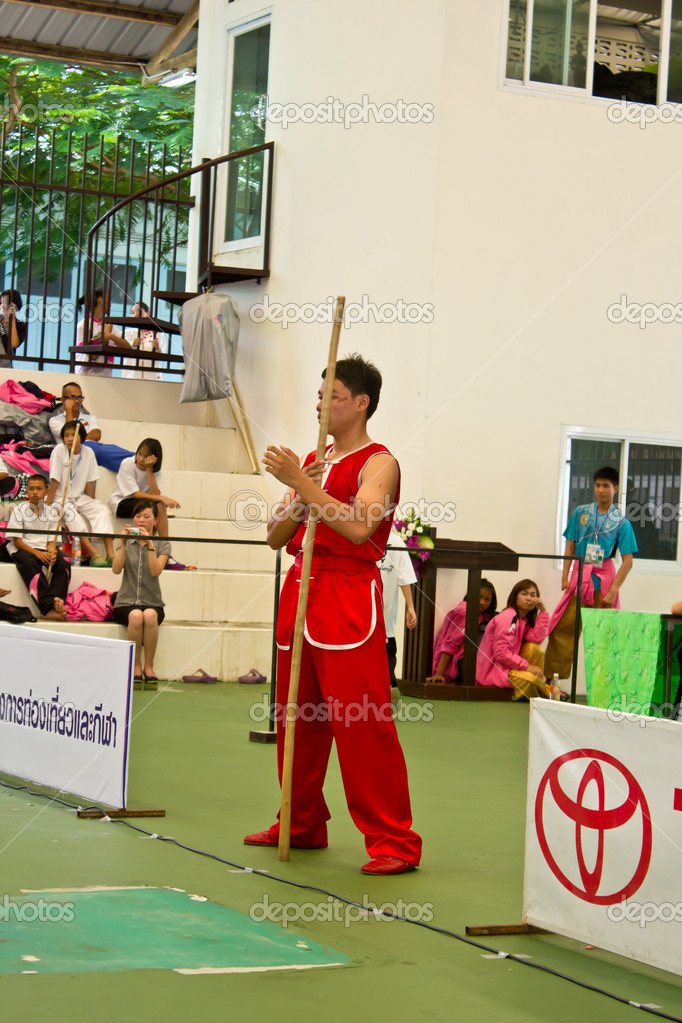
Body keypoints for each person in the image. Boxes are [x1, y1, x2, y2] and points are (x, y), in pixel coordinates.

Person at [243, 354, 422, 876]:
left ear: (362, 403)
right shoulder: (314, 460)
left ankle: (393, 840)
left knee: (363, 723)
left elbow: (360, 528)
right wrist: (300, 490)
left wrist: (303, 484)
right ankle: (300, 823)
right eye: (320, 395)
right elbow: (275, 537)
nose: (322, 404)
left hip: (347, 596)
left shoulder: (379, 462)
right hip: (300, 591)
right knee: (296, 718)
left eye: (334, 396)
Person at [544, 466, 638, 680]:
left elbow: (628, 561)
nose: (600, 490)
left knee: (604, 636)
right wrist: (565, 575)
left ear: (615, 488)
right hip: (579, 579)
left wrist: (613, 590)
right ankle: (552, 683)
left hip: (603, 582)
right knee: (562, 630)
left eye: (606, 486)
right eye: (597, 485)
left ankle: (604, 686)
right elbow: (570, 545)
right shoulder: (581, 513)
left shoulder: (622, 523)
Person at [111, 499, 170, 687]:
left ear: (156, 520)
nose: (141, 520)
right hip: (126, 603)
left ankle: (149, 667)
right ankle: (135, 666)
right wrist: (122, 544)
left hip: (152, 602)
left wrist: (150, 544)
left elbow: (155, 571)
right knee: (136, 615)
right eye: (138, 516)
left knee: (150, 615)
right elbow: (116, 569)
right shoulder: (126, 543)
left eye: (146, 516)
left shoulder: (162, 545)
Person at [46, 421, 116, 566]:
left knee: (101, 510)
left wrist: (91, 505)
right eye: (66, 435)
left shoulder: (88, 452)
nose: (70, 438)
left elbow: (89, 483)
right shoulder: (59, 450)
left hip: (79, 497)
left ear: (82, 437)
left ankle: (110, 554)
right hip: (61, 498)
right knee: (71, 514)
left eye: (74, 435)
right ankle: (94, 554)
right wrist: (47, 504)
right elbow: (55, 481)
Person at [6, 474, 70, 621]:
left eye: (39, 489)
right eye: (31, 489)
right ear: (27, 492)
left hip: (43, 549)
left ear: (47, 491)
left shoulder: (52, 513)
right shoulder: (19, 510)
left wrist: (52, 551)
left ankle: (57, 602)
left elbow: (51, 542)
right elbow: (17, 542)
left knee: (64, 564)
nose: (35, 492)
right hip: (24, 549)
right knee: (30, 564)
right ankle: (47, 609)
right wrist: (38, 554)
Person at [476, 578, 550, 700]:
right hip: (494, 672)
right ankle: (545, 694)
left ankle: (539, 691)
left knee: (535, 648)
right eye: (524, 594)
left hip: (509, 668)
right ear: (515, 596)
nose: (529, 598)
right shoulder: (508, 617)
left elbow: (537, 638)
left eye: (533, 595)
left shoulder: (523, 619)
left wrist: (543, 611)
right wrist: (526, 667)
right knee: (532, 680)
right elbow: (501, 653)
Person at [427, 580, 497, 684]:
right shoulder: (465, 613)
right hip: (455, 665)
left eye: (487, 599)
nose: (482, 602)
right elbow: (450, 645)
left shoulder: (480, 613)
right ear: (471, 595)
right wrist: (439, 673)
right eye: (479, 597)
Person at [107, 438, 180, 538]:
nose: (141, 459)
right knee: (159, 502)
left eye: (145, 456)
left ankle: (164, 545)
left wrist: (149, 470)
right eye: (139, 454)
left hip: (143, 503)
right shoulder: (127, 463)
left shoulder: (157, 468)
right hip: (121, 502)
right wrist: (162, 497)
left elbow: (155, 494)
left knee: (160, 505)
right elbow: (136, 494)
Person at [378, 529, 417, 685]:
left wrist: (411, 607)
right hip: (363, 614)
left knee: (387, 669)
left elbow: (404, 576)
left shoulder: (396, 542)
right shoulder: (361, 538)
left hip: (386, 620)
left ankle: (387, 698)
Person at [75, 290, 131, 376]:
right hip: (86, 375)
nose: (110, 304)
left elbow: (128, 348)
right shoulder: (84, 325)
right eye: (109, 299)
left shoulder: (110, 326)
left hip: (106, 376)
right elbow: (93, 356)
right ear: (101, 300)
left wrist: (110, 335)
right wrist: (107, 333)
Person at [122, 302, 166, 380]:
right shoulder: (127, 333)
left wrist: (157, 348)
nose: (135, 315)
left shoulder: (158, 334)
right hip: (131, 376)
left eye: (138, 311)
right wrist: (132, 344)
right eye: (132, 312)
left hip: (152, 377)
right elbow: (119, 346)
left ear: (148, 313)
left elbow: (163, 356)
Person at [0, 288, 27, 368]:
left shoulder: (20, 325)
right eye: (1, 303)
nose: (3, 306)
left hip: (5, 366)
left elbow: (14, 344)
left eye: (6, 303)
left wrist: (12, 319)